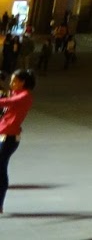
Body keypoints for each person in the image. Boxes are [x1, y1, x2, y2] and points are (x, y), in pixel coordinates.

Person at [0, 70, 35, 214]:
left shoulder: (25, 96)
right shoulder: (15, 93)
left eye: (14, 81)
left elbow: (7, 102)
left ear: (23, 82)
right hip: (4, 134)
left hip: (10, 137)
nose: (11, 83)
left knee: (1, 170)